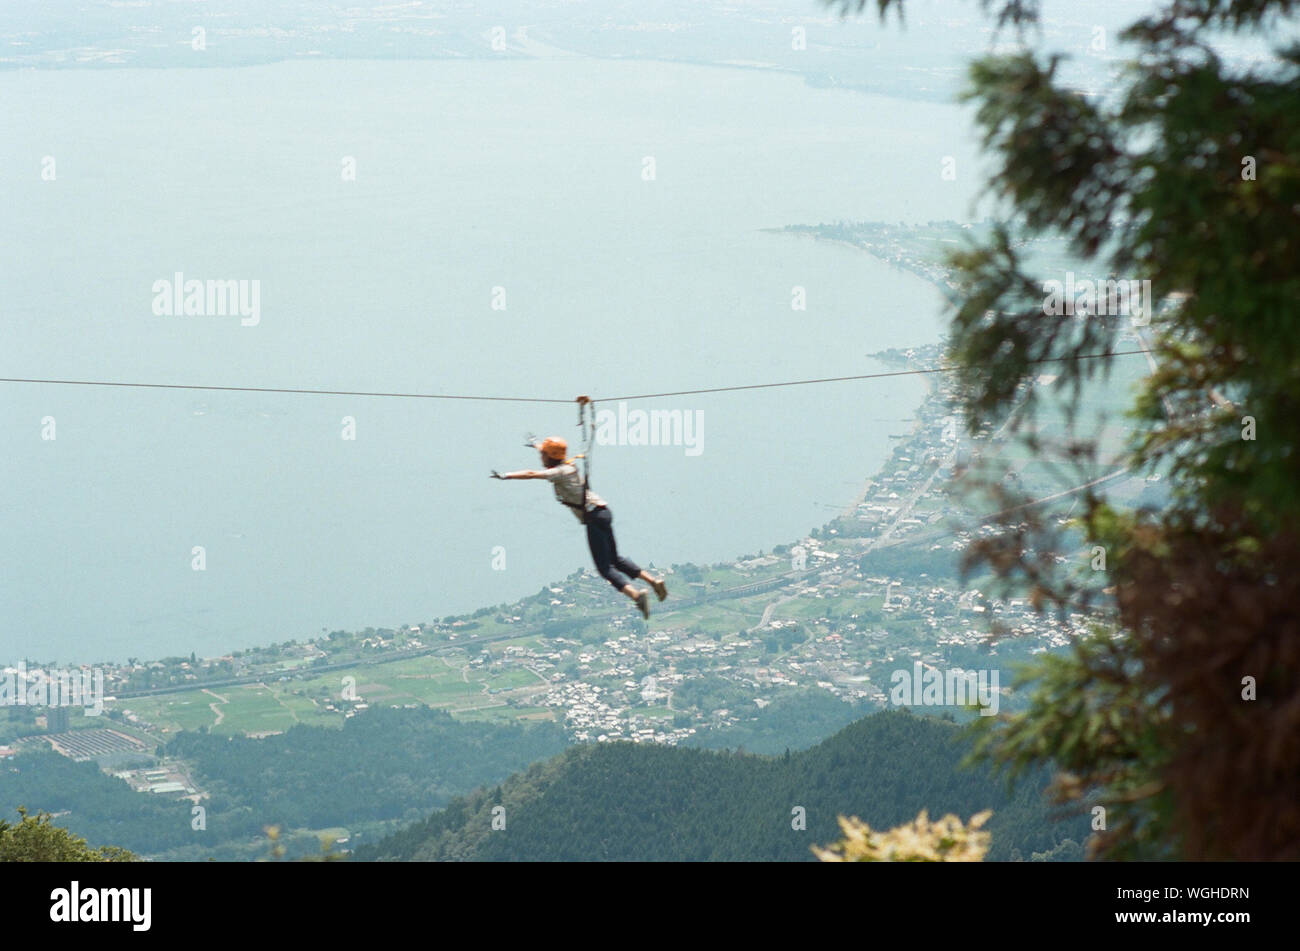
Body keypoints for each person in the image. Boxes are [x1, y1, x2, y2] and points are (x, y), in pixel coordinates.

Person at [492, 437, 667, 618]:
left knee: (604, 568)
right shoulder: (567, 465)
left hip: (593, 518)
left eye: (543, 454)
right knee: (615, 558)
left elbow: (531, 474)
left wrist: (506, 475)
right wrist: (536, 444)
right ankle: (654, 582)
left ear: (550, 457)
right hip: (603, 511)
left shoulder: (559, 472)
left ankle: (637, 595)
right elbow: (549, 453)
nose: (541, 457)